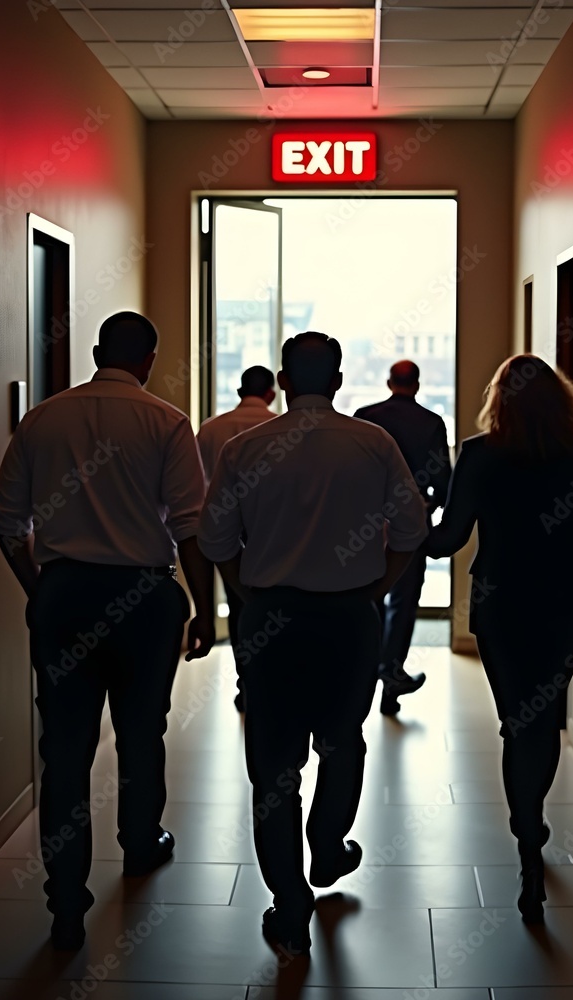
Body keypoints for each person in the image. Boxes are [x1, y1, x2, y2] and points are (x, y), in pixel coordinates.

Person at [0, 311, 215, 951]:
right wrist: (203, 606)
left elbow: (6, 521)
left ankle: (65, 903)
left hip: (65, 594)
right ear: (148, 359)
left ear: (95, 352)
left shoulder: (43, 418)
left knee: (64, 751)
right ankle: (140, 845)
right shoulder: (166, 421)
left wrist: (42, 590)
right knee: (143, 730)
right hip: (144, 597)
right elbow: (191, 526)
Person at [197, 332, 428, 954]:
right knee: (342, 742)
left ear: (283, 378)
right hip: (348, 618)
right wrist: (374, 585)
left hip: (270, 617)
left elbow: (214, 541)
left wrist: (246, 595)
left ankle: (290, 901)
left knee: (273, 768)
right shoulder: (372, 443)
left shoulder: (246, 448)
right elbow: (413, 528)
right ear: (340, 377)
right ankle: (327, 848)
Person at [426, 354, 573, 924]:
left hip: (502, 605)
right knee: (545, 717)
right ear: (558, 399)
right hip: (564, 602)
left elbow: (447, 540)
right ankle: (530, 829)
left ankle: (527, 835)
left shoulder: (478, 454)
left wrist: (402, 523)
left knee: (516, 723)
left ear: (499, 399)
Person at [354, 360, 452, 715]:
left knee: (369, 598)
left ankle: (364, 674)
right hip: (410, 518)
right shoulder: (431, 423)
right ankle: (391, 676)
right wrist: (432, 508)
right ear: (418, 384)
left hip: (365, 521)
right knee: (403, 600)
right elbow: (443, 479)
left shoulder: (365, 416)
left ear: (389, 382)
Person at [196, 365, 277, 712]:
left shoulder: (211, 430)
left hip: (225, 532)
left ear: (239, 390)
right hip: (272, 533)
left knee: (239, 606)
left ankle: (246, 682)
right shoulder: (282, 428)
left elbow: (196, 487)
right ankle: (270, 681)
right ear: (271, 394)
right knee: (274, 609)